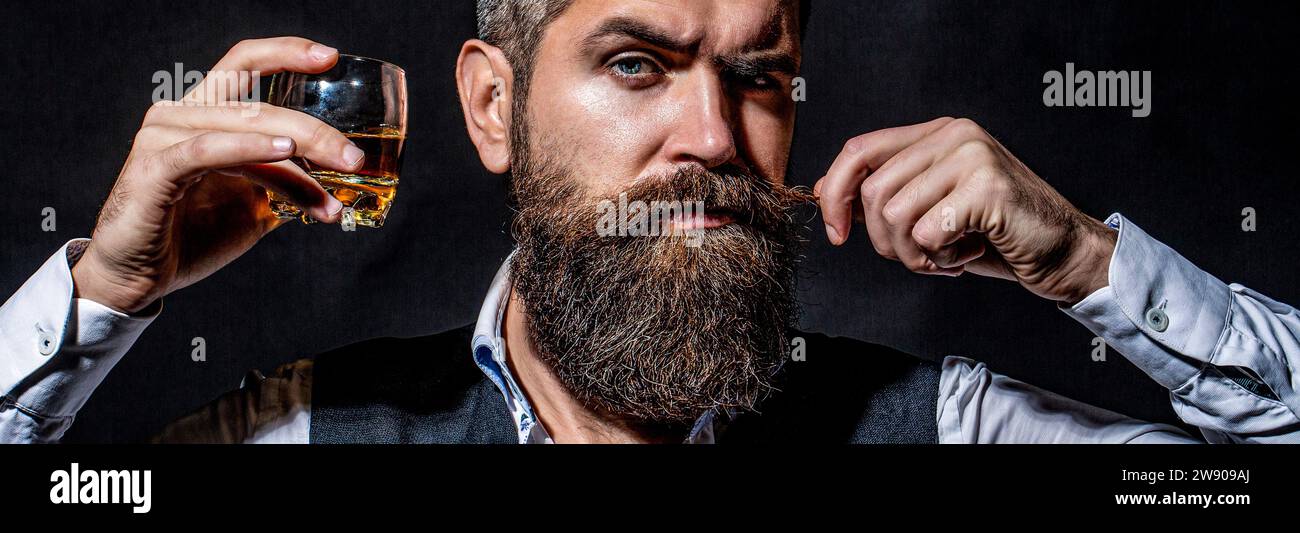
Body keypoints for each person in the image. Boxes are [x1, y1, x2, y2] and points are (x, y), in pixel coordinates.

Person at [2, 0, 1297, 444]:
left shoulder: (941, 431)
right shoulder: (304, 433)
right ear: (494, 106)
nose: (716, 141)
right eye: (635, 63)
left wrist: (1088, 263)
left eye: (759, 77)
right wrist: (104, 297)